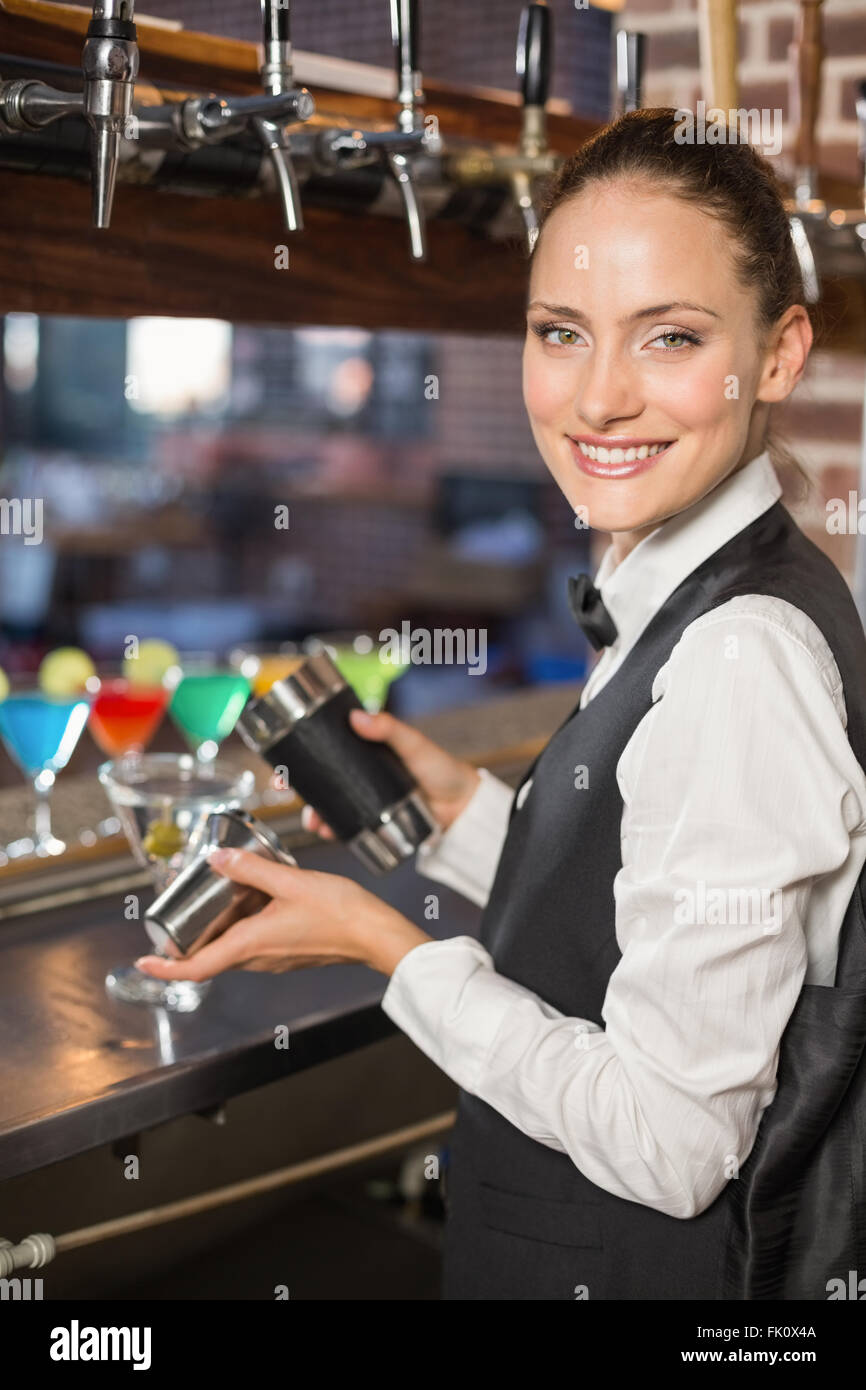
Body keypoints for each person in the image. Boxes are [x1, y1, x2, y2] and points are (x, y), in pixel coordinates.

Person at [136, 108, 866, 1301]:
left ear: (777, 354)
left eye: (668, 338)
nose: (598, 399)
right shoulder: (708, 580)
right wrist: (455, 814)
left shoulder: (740, 656)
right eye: (559, 332)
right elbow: (663, 904)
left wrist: (387, 947)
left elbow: (672, 1142)